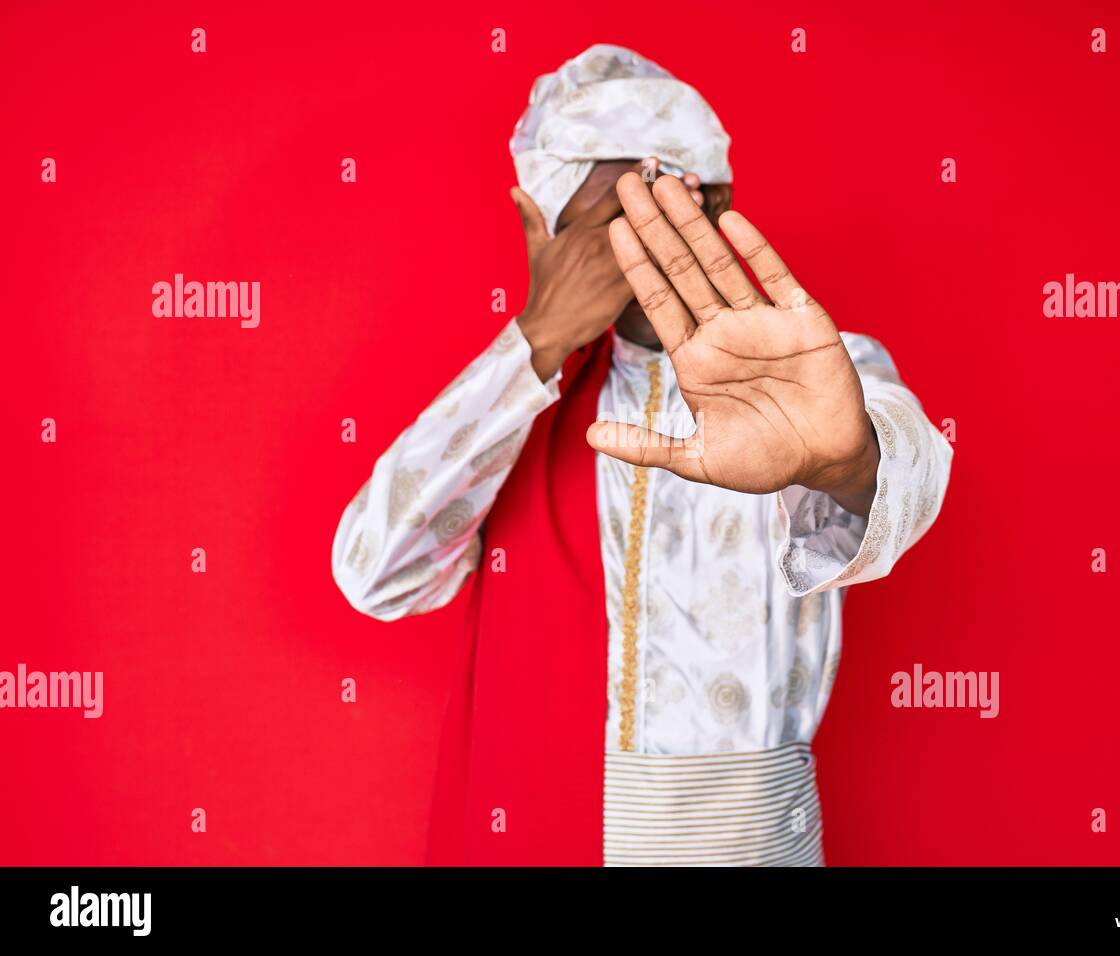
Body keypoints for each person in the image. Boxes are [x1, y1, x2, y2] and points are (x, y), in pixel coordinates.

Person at [331, 44, 952, 866]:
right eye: (594, 232)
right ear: (535, 228)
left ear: (716, 202)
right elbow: (376, 574)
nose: (624, 258)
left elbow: (904, 476)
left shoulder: (805, 373)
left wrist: (842, 462)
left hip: (750, 846)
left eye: (651, 218)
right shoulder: (517, 410)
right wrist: (537, 341)